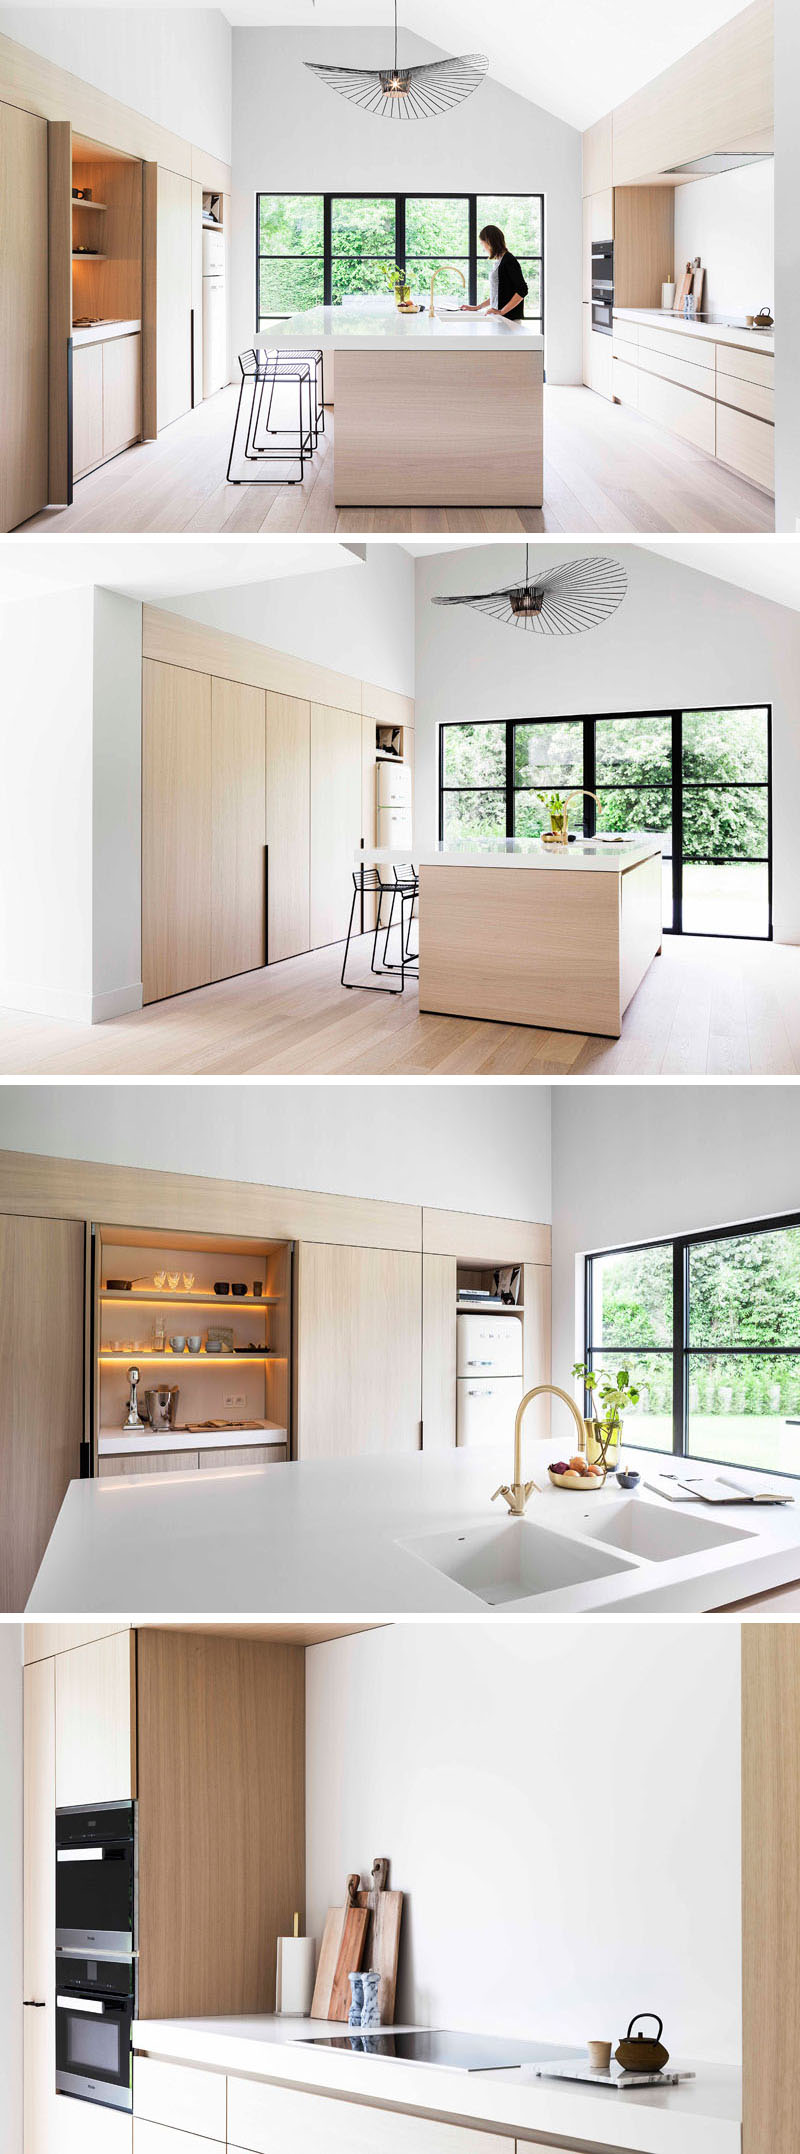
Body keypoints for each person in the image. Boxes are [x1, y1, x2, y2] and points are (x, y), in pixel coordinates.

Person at [461, 224, 528, 321]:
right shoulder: (499, 260)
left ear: (489, 242)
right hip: (500, 318)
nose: (483, 248)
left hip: (509, 319)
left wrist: (502, 311)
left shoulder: (509, 260)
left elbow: (523, 290)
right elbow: (497, 294)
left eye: (482, 243)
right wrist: (477, 307)